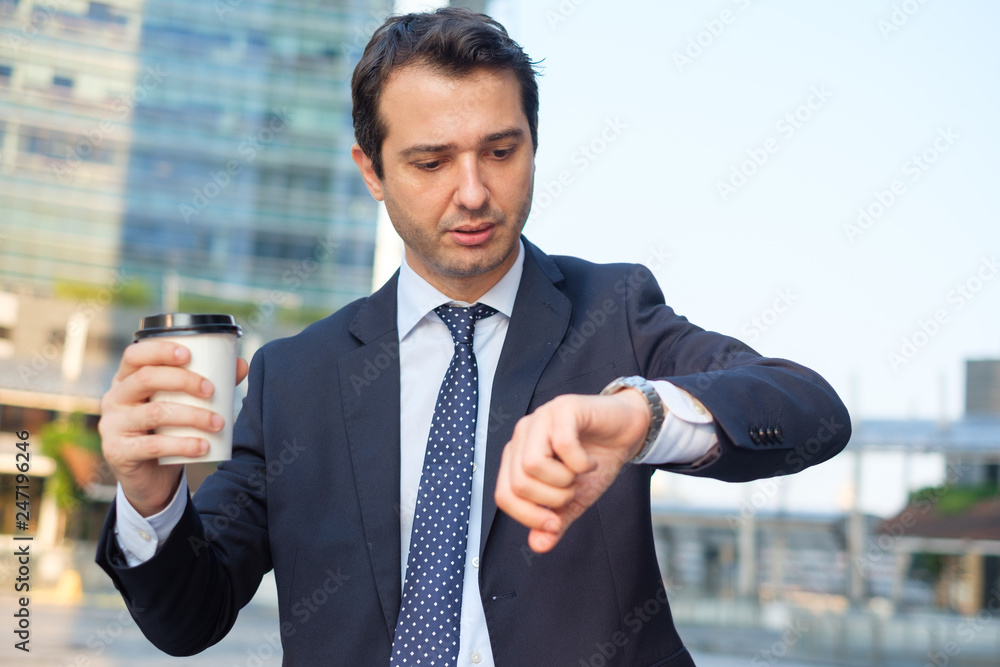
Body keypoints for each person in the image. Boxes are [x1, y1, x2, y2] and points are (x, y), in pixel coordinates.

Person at [96, 8, 850, 666]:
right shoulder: (296, 376)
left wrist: (640, 417)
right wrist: (150, 494)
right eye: (429, 160)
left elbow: (809, 410)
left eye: (501, 150)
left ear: (533, 142)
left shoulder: (613, 310)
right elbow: (190, 617)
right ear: (372, 171)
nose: (473, 192)